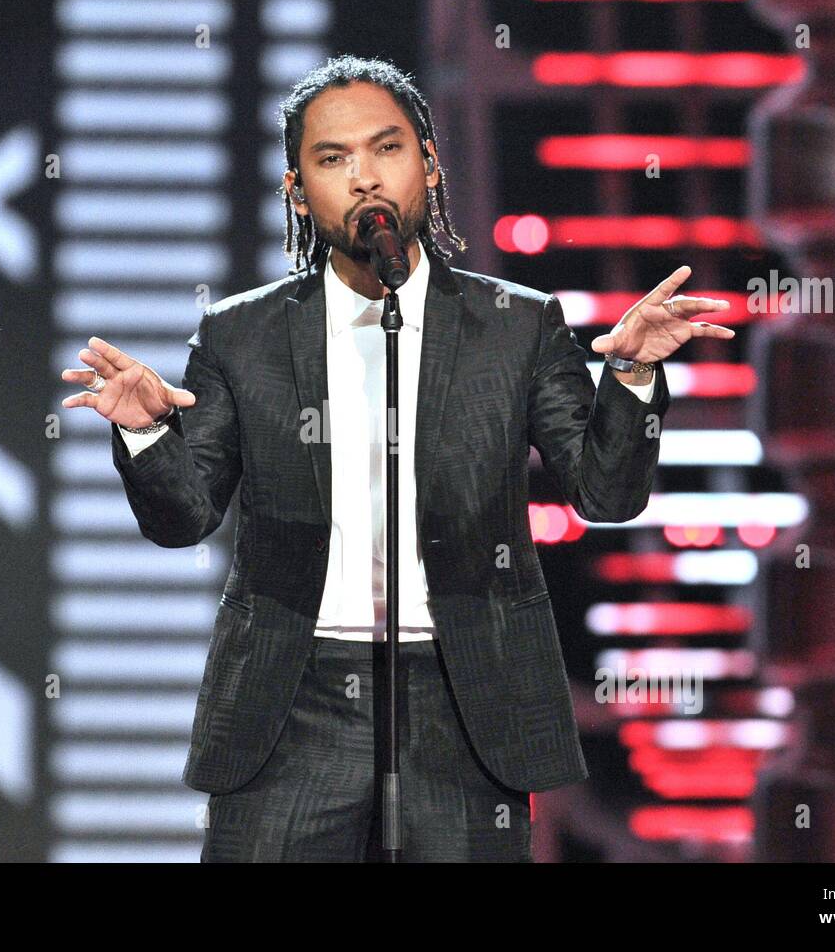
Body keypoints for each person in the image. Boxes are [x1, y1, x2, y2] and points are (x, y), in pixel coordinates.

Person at [60, 56, 734, 862]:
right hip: (290, 704)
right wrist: (144, 434)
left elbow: (605, 494)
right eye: (333, 159)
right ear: (297, 191)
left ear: (430, 164)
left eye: (387, 149)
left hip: (465, 697)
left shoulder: (516, 326)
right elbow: (184, 520)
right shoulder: (242, 336)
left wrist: (628, 376)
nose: (365, 179)